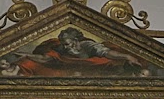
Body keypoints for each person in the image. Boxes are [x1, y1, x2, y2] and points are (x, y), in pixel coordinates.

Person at [11, 27, 152, 77]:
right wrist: (27, 55)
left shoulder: (89, 45)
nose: (65, 47)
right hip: (70, 70)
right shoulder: (61, 48)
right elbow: (45, 59)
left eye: (67, 44)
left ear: (76, 41)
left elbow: (108, 53)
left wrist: (127, 55)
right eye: (64, 45)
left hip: (95, 68)